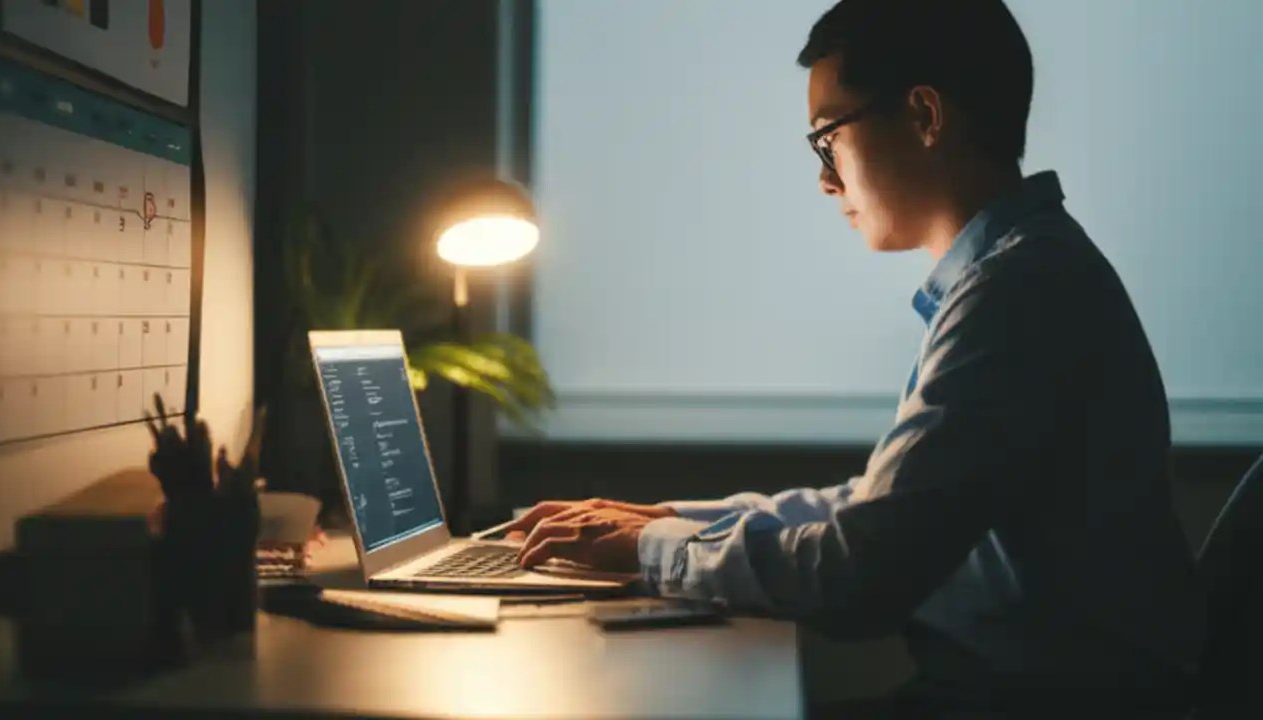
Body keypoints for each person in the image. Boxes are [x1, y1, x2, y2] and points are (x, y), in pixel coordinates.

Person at [507, 0, 1205, 712]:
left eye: (827, 138)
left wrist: (653, 548)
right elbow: (880, 509)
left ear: (925, 116)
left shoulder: (1018, 292)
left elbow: (862, 574)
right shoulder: (1019, 272)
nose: (825, 180)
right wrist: (664, 517)